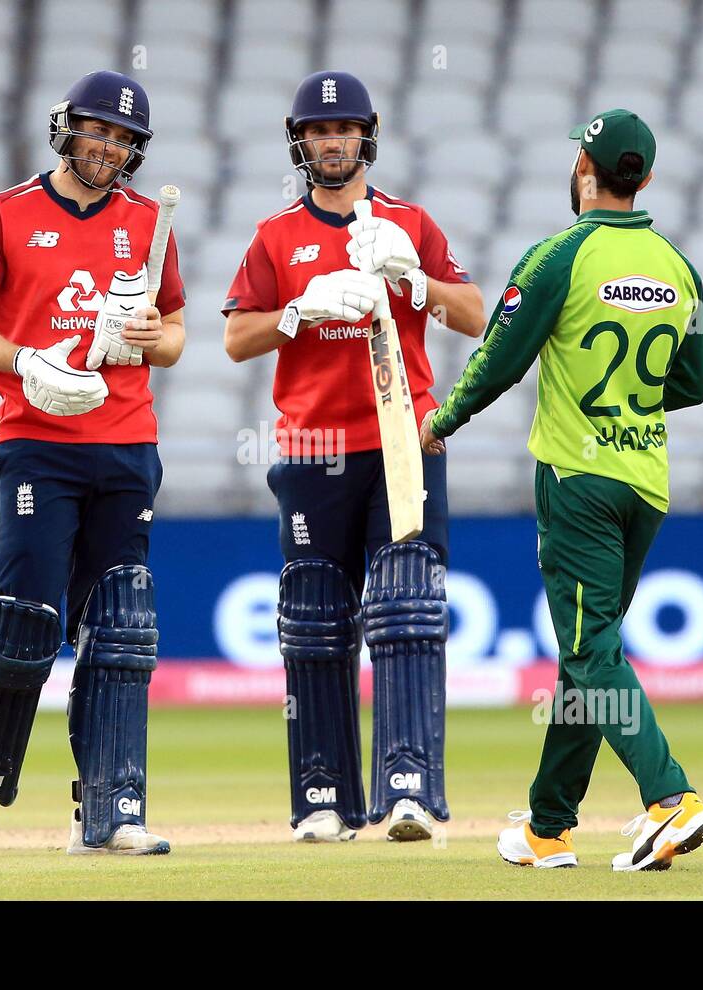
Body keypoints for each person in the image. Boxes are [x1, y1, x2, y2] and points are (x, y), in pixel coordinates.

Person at [423, 109, 703, 871]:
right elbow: (693, 384)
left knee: (589, 649)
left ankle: (671, 799)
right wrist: (626, 397)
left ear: (585, 171)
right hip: (646, 484)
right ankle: (548, 827)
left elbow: (498, 358)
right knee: (587, 655)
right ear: (645, 177)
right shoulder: (676, 265)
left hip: (579, 480)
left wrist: (443, 419)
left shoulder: (560, 254)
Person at [223, 71, 485, 842]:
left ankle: (409, 789)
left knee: (408, 608)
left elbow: (473, 315)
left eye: (343, 129)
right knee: (314, 622)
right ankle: (322, 798)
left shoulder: (411, 222)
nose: (331, 141)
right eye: (316, 130)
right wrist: (300, 313)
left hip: (405, 437)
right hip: (312, 446)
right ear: (298, 141)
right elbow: (238, 338)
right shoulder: (276, 236)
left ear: (366, 135)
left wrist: (414, 276)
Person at [0, 70, 185, 856]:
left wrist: (153, 338)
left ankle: (109, 809)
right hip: (37, 444)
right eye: (96, 131)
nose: (108, 147)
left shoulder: (149, 222)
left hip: (126, 443)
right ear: (65, 128)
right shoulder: (5, 213)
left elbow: (176, 335)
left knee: (118, 629)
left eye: (122, 138)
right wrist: (27, 361)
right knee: (26, 617)